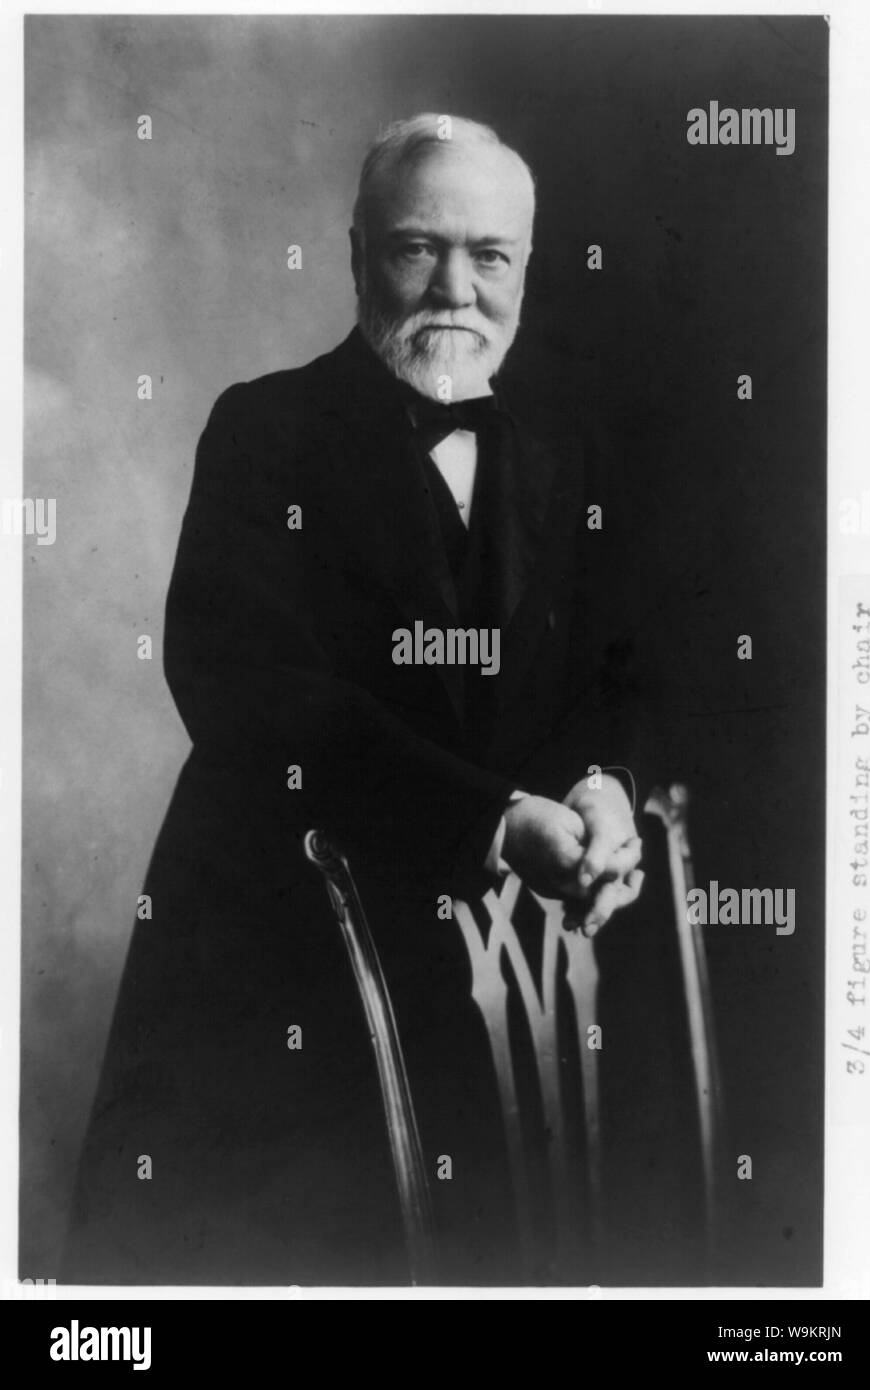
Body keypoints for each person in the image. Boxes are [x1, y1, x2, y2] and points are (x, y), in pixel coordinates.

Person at [62, 114, 667, 1288]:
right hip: (276, 971)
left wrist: (605, 786)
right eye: (415, 249)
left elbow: (618, 668)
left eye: (489, 255)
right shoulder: (263, 432)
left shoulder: (564, 453)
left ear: (526, 270)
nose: (455, 286)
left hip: (505, 979)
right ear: (354, 257)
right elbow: (250, 689)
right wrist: (494, 817)